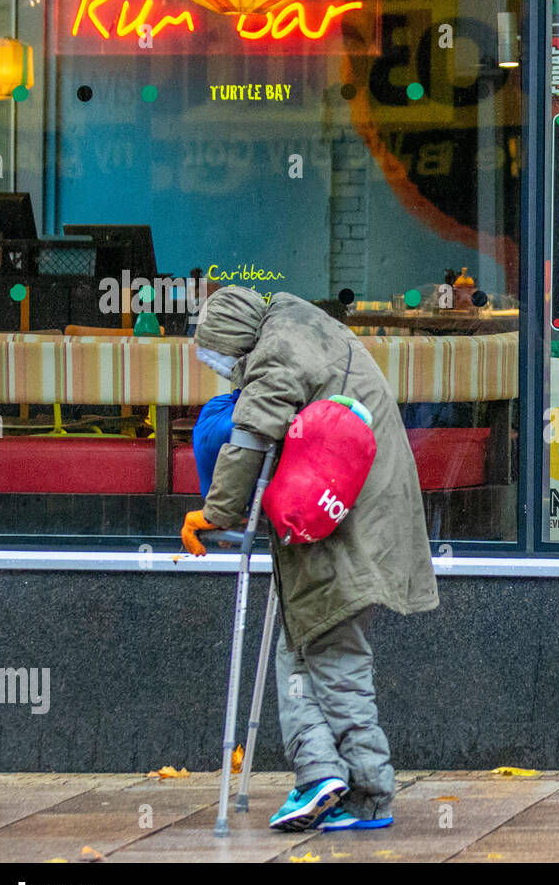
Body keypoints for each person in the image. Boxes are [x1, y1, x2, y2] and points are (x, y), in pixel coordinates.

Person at [183, 286, 439, 831]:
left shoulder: (279, 347)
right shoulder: (303, 327)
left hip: (344, 527)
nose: (218, 365)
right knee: (303, 647)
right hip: (347, 513)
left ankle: (368, 792)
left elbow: (252, 433)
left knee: (333, 656)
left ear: (234, 341)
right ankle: (322, 774)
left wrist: (216, 512)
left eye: (217, 353)